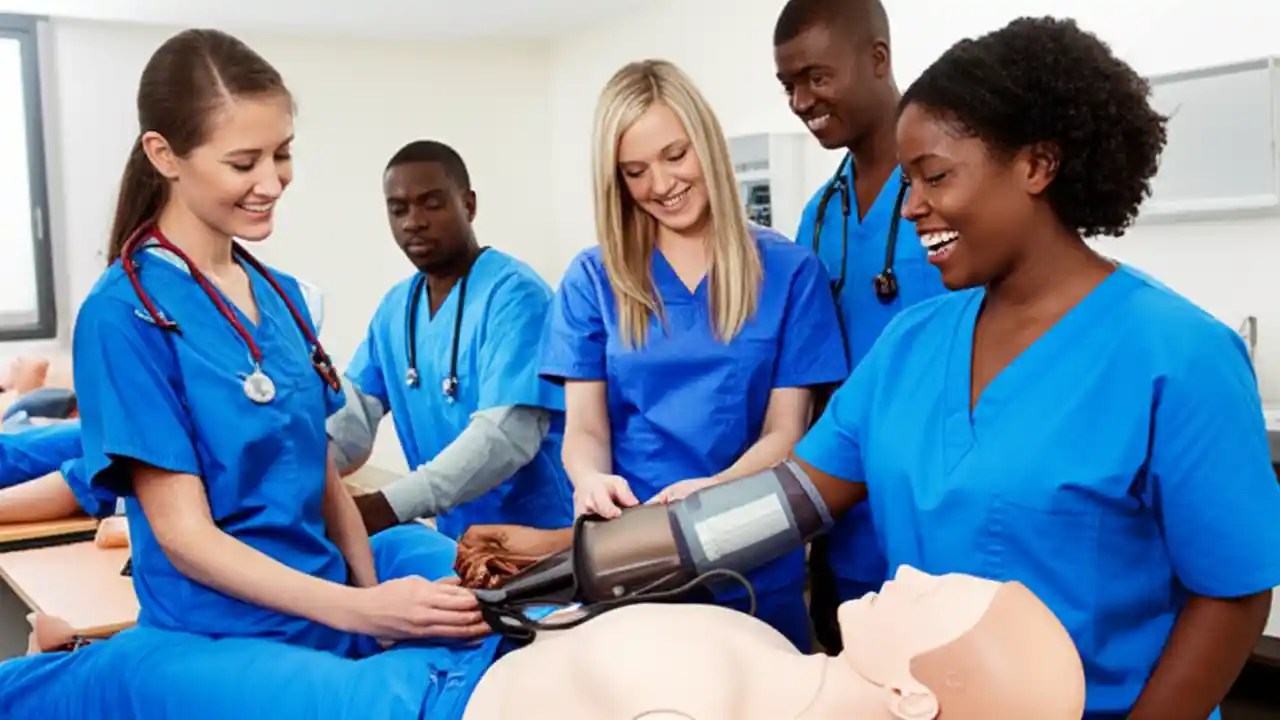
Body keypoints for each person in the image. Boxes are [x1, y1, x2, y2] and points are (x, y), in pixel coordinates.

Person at [790, 17, 1280, 719]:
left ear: (1036, 165)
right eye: (906, 183)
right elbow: (798, 495)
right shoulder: (909, 344)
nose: (912, 209)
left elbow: (1231, 596)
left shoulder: (1177, 357)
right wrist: (627, 548)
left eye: (934, 177)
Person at [0, 28, 497, 718]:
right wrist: (364, 610)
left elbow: (319, 472)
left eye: (283, 154)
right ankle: (56, 662)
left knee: (499, 620)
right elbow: (187, 539)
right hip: (217, 632)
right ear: (163, 155)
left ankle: (58, 654)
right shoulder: (122, 315)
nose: (272, 182)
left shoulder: (281, 295)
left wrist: (370, 608)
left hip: (325, 596)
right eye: (243, 162)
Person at [539, 59, 848, 651]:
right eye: (635, 171)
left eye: (675, 155)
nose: (661, 184)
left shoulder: (789, 272)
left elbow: (787, 431)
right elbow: (583, 428)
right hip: (636, 558)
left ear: (706, 142)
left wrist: (715, 490)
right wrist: (589, 479)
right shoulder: (594, 278)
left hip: (753, 546)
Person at [773, 0, 950, 650]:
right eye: (788, 84)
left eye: (816, 76)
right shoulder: (819, 218)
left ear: (878, 59)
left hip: (944, 506)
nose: (800, 99)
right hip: (846, 519)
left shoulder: (959, 196)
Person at [326, 140, 573, 540]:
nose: (413, 221)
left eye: (431, 203)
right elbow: (353, 421)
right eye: (398, 209)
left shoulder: (516, 296)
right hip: (457, 543)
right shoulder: (396, 309)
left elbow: (506, 438)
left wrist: (385, 507)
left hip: (543, 545)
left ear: (469, 205)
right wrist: (288, 477)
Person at [463, 566, 1087, 720]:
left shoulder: (693, 702)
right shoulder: (782, 659)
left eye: (928, 597)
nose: (905, 575)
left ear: (914, 697)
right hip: (495, 634)